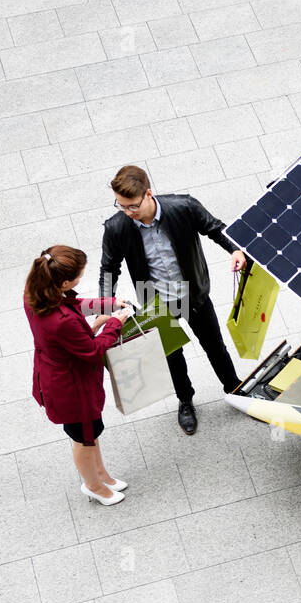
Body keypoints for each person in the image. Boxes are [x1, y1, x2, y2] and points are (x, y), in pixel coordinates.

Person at [99, 165, 247, 435]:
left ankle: (234, 387)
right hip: (156, 302)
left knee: (215, 346)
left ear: (148, 194)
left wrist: (235, 249)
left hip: (193, 294)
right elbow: (108, 269)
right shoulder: (116, 227)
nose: (127, 212)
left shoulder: (184, 207)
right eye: (121, 206)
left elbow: (216, 228)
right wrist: (104, 304)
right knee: (172, 356)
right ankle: (186, 401)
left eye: (132, 206)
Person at [24, 245, 134, 506]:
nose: (79, 281)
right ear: (63, 282)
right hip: (72, 389)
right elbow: (92, 350)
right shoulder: (62, 321)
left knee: (90, 432)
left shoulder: (35, 293)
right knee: (85, 437)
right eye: (77, 277)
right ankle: (94, 485)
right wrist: (115, 324)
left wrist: (107, 305)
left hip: (57, 376)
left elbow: (73, 304)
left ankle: (101, 475)